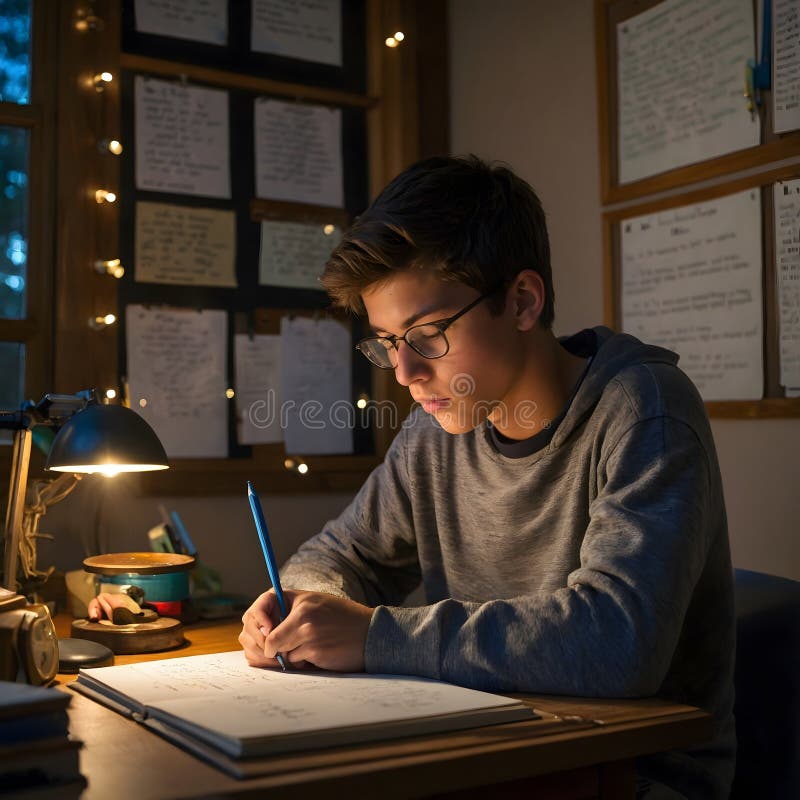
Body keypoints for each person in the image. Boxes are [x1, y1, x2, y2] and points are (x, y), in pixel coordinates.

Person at [238, 155, 735, 799]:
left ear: (522, 301)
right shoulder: (435, 435)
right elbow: (337, 557)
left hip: (632, 776)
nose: (405, 373)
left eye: (427, 334)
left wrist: (375, 636)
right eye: (387, 342)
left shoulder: (644, 410)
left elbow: (619, 640)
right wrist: (296, 603)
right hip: (489, 755)